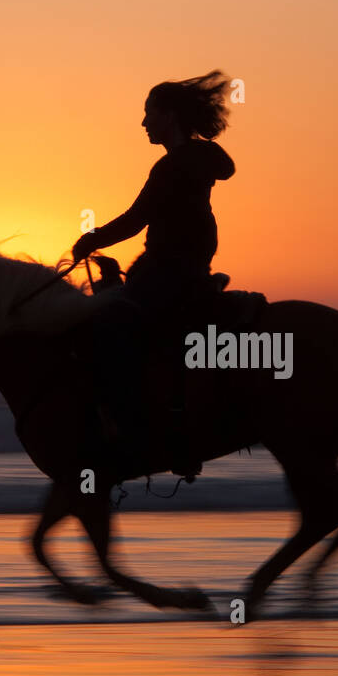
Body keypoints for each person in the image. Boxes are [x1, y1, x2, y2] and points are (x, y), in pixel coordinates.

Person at [71, 71, 235, 475]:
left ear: (168, 116)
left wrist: (90, 239)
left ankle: (137, 431)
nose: (143, 123)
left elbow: (136, 219)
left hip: (170, 271)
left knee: (108, 329)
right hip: (173, 268)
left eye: (149, 113)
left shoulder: (176, 164)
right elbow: (223, 167)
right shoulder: (186, 160)